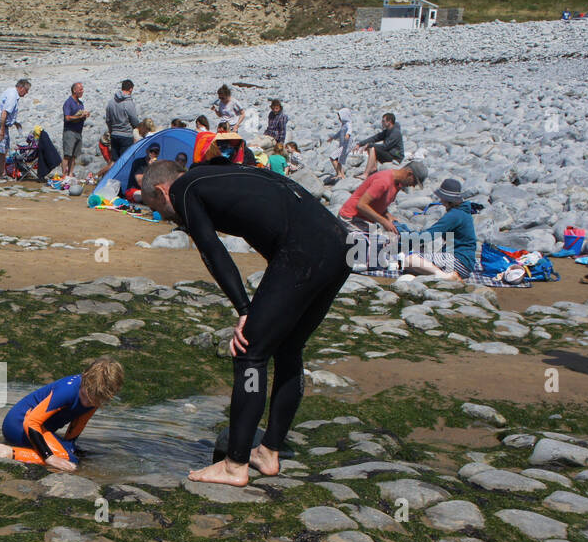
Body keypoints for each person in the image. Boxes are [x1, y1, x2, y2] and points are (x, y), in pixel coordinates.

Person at [141, 159, 351, 486]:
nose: (167, 217)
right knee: (289, 349)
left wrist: (244, 308)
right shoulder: (220, 178)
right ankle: (268, 452)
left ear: (161, 189)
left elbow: (212, 251)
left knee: (249, 353)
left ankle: (235, 464)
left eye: (160, 209)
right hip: (340, 245)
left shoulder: (185, 188)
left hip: (304, 250)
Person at [0, 357, 125, 471]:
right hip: (19, 425)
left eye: (96, 400)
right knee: (68, 461)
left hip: (39, 428)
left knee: (72, 455)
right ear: (85, 378)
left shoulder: (96, 396)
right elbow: (31, 422)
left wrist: (70, 445)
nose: (88, 402)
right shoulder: (67, 390)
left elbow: (80, 421)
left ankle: (37, 452)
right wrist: (49, 457)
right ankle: (9, 453)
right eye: (86, 395)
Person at [400, 178, 478, 280]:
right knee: (414, 267)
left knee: (409, 260)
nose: (441, 201)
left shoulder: (454, 215)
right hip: (466, 262)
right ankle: (445, 275)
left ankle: (445, 277)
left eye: (442, 198)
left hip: (459, 261)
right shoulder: (463, 212)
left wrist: (404, 237)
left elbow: (428, 235)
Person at [338, 159, 427, 235]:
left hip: (364, 219)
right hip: (350, 218)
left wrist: (387, 215)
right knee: (373, 246)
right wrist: (383, 221)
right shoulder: (384, 181)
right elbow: (361, 205)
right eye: (414, 182)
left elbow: (379, 202)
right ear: (409, 174)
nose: (413, 186)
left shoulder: (398, 184)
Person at [0, 78, 29, 182]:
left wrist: (14, 123)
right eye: (26, 90)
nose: (26, 93)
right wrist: (1, 130)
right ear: (20, 88)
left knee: (4, 150)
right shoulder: (12, 96)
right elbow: (4, 113)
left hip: (1, 123)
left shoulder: (11, 92)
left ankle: (2, 173)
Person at [357, 112, 403, 176]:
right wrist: (359, 144)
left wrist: (370, 145)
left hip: (395, 157)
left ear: (389, 121)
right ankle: (373, 168)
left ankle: (365, 174)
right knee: (370, 147)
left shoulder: (395, 133)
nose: (382, 122)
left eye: (383, 121)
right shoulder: (387, 131)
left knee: (372, 148)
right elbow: (375, 138)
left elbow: (385, 147)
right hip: (389, 154)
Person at [105, 79, 138, 162]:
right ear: (130, 89)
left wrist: (111, 130)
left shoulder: (111, 102)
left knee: (114, 161)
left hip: (114, 134)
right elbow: (134, 120)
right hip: (126, 135)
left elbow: (108, 120)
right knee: (124, 161)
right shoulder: (128, 103)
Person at [61, 82, 88, 177]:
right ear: (74, 90)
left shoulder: (80, 103)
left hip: (78, 132)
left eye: (82, 89)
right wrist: (79, 116)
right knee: (67, 155)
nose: (82, 91)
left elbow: (80, 117)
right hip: (70, 132)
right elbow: (67, 118)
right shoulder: (68, 102)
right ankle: (64, 175)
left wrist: (84, 116)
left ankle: (70, 174)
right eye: (80, 89)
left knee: (74, 156)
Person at [328, 108, 353, 180]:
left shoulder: (348, 124)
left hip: (345, 147)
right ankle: (342, 176)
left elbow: (350, 129)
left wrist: (348, 134)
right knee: (339, 161)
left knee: (332, 157)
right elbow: (339, 133)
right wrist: (332, 138)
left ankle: (339, 173)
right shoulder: (344, 125)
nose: (339, 118)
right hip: (343, 146)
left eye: (340, 116)